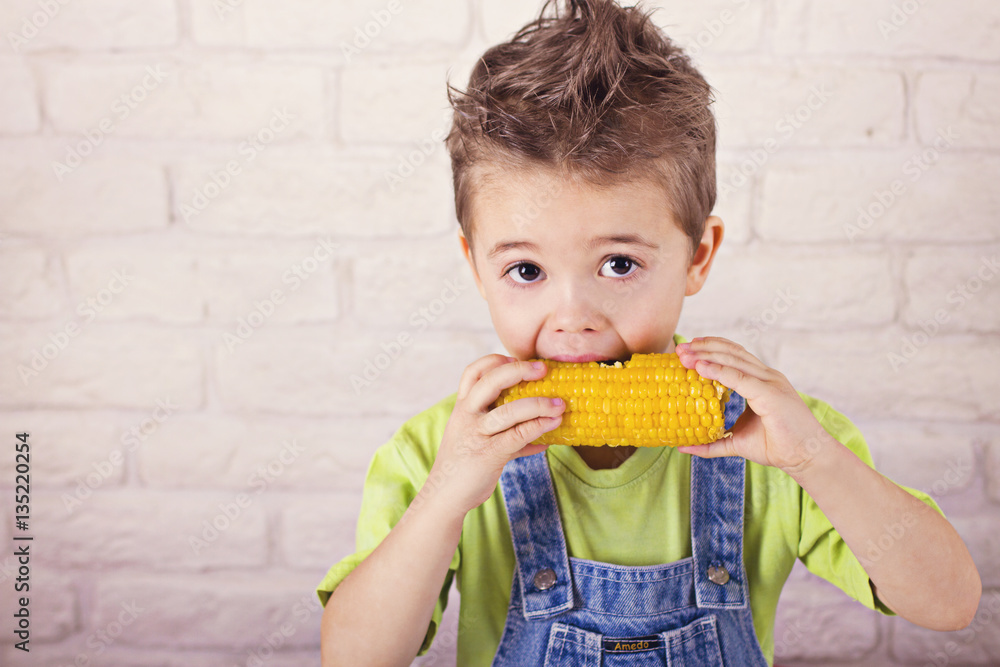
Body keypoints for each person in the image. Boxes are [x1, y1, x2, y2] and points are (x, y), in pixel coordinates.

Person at [317, 1, 982, 664]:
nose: (573, 314)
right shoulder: (434, 451)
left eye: (619, 264)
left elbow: (949, 602)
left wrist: (816, 459)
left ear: (698, 256)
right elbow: (353, 657)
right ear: (475, 267)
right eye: (526, 269)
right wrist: (443, 501)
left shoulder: (774, 441)